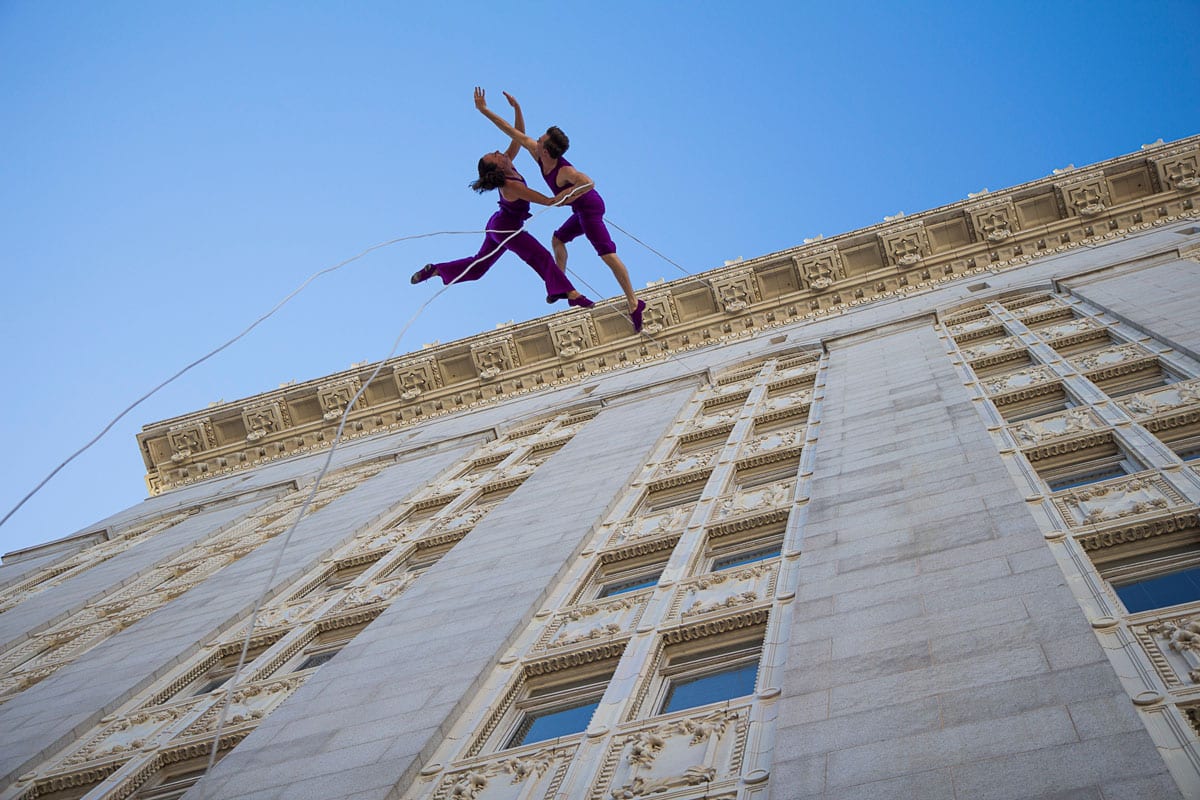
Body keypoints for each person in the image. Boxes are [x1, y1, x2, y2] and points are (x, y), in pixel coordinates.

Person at [473, 87, 645, 332]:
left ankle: (634, 303)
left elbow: (589, 183)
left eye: (541, 140)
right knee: (558, 239)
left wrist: (562, 197)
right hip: (578, 210)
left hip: (590, 209)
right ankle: (559, 285)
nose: (536, 140)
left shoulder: (565, 171)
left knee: (607, 254)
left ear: (546, 150)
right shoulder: (538, 153)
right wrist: (488, 110)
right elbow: (511, 131)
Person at [411, 92, 593, 309]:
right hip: (506, 229)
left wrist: (517, 108)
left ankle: (436, 270)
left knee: (478, 268)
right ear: (498, 167)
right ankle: (572, 294)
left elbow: (518, 135)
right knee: (540, 256)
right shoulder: (510, 185)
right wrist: (573, 191)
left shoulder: (508, 163)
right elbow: (547, 201)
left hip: (497, 224)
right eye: (495, 155)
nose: (498, 151)